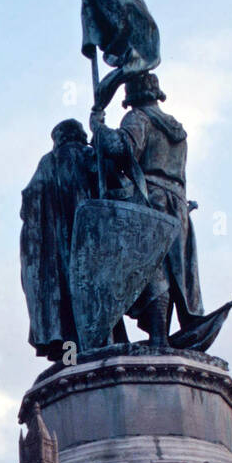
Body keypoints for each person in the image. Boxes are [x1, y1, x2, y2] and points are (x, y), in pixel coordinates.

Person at [90, 72, 203, 345]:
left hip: (149, 199)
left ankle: (159, 337)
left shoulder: (138, 118)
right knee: (176, 269)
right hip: (177, 203)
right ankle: (162, 334)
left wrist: (99, 128)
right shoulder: (177, 130)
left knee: (151, 266)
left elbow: (121, 149)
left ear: (131, 97)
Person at [20, 119, 98, 356]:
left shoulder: (49, 162)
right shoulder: (90, 156)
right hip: (92, 243)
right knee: (95, 296)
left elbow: (28, 204)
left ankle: (69, 354)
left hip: (56, 251)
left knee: (64, 303)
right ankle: (98, 343)